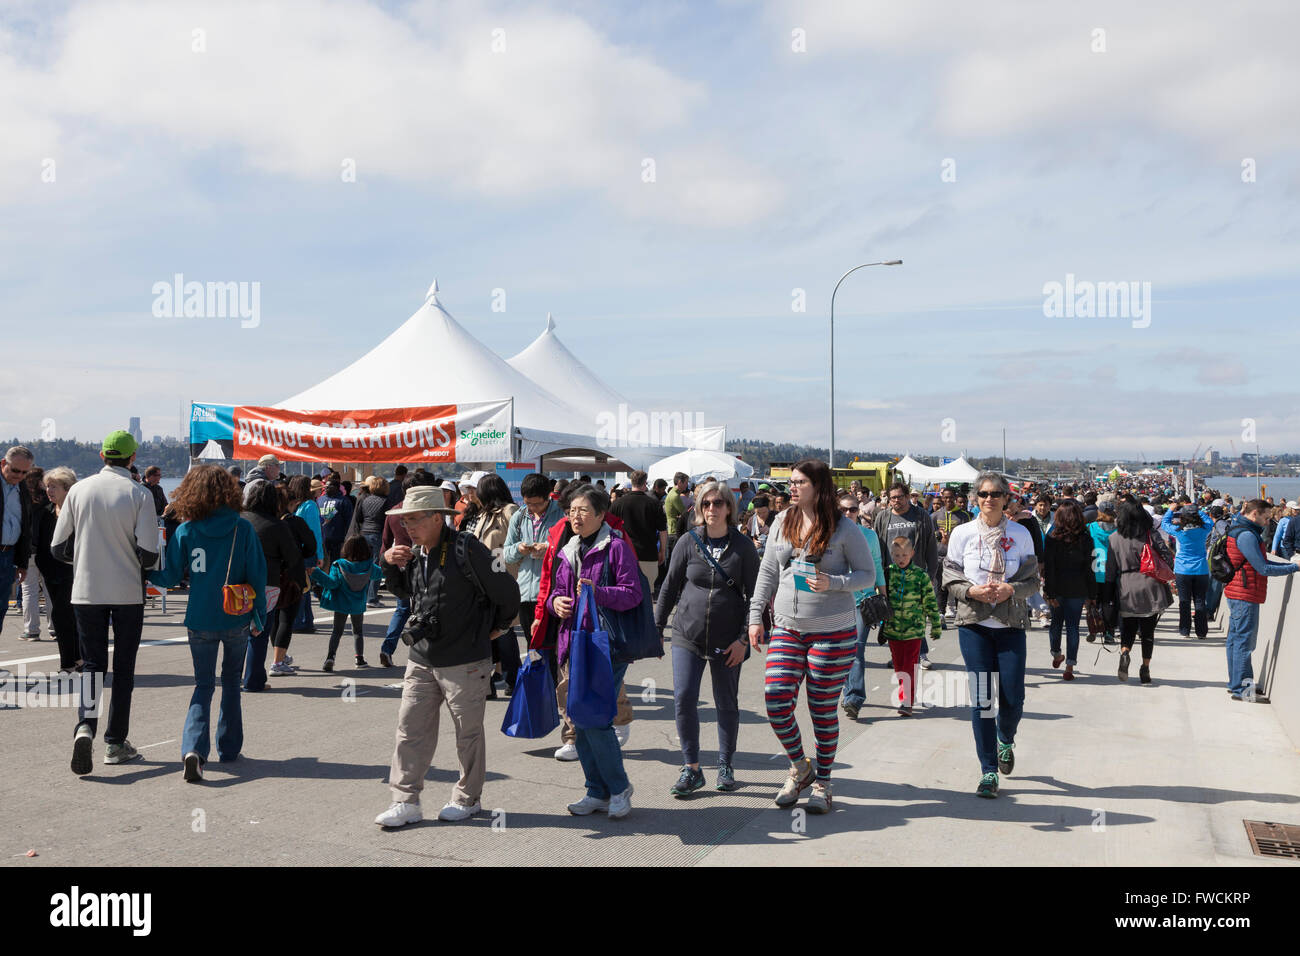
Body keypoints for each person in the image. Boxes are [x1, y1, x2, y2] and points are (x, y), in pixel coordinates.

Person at [374, 486, 519, 828]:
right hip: (422, 657)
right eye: (403, 520)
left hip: (465, 659)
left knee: (467, 733)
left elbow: (507, 592)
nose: (407, 527)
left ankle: (468, 798)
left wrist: (496, 629)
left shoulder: (466, 548)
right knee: (409, 730)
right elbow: (406, 593)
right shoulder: (415, 552)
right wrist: (390, 565)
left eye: (413, 519)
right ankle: (405, 801)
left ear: (438, 517)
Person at [746, 459, 874, 814]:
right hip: (787, 626)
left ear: (818, 486)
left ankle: (824, 782)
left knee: (821, 710)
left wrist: (834, 582)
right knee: (775, 698)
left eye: (800, 481)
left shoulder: (845, 528)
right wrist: (756, 615)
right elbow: (768, 572)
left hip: (833, 632)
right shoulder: (782, 522)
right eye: (792, 481)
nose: (793, 487)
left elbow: (868, 574)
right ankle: (800, 767)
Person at [50, 431, 160, 775]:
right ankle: (115, 742)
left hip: (86, 590)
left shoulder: (79, 490)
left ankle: (85, 726)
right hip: (126, 592)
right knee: (124, 668)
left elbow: (58, 547)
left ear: (101, 455)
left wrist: (84, 560)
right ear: (132, 458)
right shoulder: (140, 493)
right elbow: (149, 554)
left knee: (92, 666)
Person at [147, 466, 266, 782]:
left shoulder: (186, 530)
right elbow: (257, 576)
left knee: (203, 685)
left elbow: (171, 577)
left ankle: (193, 751)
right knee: (231, 682)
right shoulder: (243, 529)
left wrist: (145, 572)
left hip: (199, 617)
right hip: (235, 616)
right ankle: (228, 747)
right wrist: (259, 616)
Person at [655, 481, 759, 795]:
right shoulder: (688, 542)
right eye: (705, 504)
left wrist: (743, 640)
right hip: (687, 634)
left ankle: (726, 766)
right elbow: (669, 587)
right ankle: (692, 768)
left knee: (726, 702)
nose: (711, 509)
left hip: (729, 639)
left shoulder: (743, 547)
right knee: (684, 698)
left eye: (717, 503)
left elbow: (756, 597)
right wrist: (655, 629)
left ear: (729, 507)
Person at [546, 484, 644, 819]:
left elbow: (632, 593)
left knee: (597, 718)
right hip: (574, 641)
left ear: (601, 515)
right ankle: (596, 791)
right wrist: (553, 602)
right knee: (580, 716)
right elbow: (557, 589)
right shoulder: (569, 548)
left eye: (584, 510)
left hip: (606, 645)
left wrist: (597, 593)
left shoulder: (615, 547)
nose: (575, 516)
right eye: (572, 510)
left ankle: (618, 788)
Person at [942, 471, 1039, 798]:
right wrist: (972, 591)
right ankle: (988, 771)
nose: (989, 499)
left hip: (1010, 624)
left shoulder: (1021, 534)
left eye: (995, 494)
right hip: (975, 625)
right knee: (983, 700)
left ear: (1006, 499)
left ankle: (1005, 739)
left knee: (1013, 697)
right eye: (983, 494)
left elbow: (1033, 581)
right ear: (975, 498)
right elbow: (949, 576)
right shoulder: (962, 533)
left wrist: (1011, 588)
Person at [1221, 498, 1300, 700]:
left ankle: (1235, 684)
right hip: (1245, 594)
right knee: (1244, 644)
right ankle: (1243, 690)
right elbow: (1263, 568)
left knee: (1235, 640)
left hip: (1237, 591)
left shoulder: (1238, 528)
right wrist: (1294, 567)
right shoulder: (1247, 535)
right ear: (1254, 514)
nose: (1267, 522)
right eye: (1265, 517)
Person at [503, 472, 565, 691]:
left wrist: (548, 549)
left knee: (553, 643)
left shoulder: (561, 516)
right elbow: (507, 553)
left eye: (536, 504)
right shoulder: (520, 517)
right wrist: (519, 549)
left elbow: (571, 549)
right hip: (526, 590)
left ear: (548, 498)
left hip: (553, 591)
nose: (532, 509)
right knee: (533, 642)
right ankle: (539, 687)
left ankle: (555, 686)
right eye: (528, 503)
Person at [240, 479, 305, 690]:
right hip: (267, 584)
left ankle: (234, 678)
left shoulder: (239, 520)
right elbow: (293, 557)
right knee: (258, 634)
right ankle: (253, 680)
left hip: (236, 585)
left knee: (235, 636)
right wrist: (300, 582)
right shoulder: (277, 525)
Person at [1105, 499, 1175, 685]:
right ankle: (1145, 668)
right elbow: (1166, 555)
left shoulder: (1113, 538)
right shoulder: (1149, 534)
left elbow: (1110, 571)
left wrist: (1107, 594)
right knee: (1148, 632)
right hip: (1150, 585)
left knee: (1127, 628)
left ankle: (1125, 652)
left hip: (1126, 586)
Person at [462, 473, 519, 696]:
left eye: (477, 490)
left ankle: (513, 678)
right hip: (483, 580)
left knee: (504, 631)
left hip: (504, 577)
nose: (472, 494)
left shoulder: (510, 511)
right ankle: (487, 684)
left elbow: (516, 545)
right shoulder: (483, 514)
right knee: (487, 632)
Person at [873, 480, 939, 668]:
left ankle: (922, 654)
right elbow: (877, 549)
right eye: (892, 498)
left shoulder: (920, 516)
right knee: (892, 618)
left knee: (915, 616)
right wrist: (877, 577)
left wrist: (931, 575)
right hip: (889, 577)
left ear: (908, 497)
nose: (896, 501)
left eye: (900, 497)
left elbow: (930, 547)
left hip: (914, 576)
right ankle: (897, 656)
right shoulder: (883, 517)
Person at [880, 536, 941, 715]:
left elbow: (930, 602)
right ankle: (905, 696)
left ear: (912, 553)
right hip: (892, 630)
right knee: (899, 667)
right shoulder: (887, 573)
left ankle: (906, 701)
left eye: (904, 555)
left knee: (910, 666)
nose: (901, 559)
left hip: (914, 631)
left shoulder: (920, 575)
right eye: (897, 555)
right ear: (891, 554)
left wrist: (936, 626)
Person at [837, 491, 883, 721]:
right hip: (835, 601)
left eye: (852, 509)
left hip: (862, 601)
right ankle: (848, 693)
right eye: (842, 510)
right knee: (842, 652)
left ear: (859, 511)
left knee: (856, 650)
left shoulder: (869, 536)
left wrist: (884, 594)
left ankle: (854, 698)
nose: (847, 514)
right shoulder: (828, 535)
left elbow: (877, 566)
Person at [1042, 499, 1097, 681]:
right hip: (1078, 587)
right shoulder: (1086, 537)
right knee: (1073, 626)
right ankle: (1070, 666)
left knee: (1056, 623)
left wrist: (1048, 591)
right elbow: (1091, 567)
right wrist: (1092, 594)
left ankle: (1056, 653)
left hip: (1056, 587)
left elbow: (1048, 567)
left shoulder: (1052, 538)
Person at [311, 534, 383, 671]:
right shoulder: (369, 566)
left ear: (346, 549)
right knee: (358, 631)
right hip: (358, 604)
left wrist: (316, 573)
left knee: (337, 631)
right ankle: (359, 658)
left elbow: (332, 583)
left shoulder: (339, 565)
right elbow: (381, 573)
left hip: (341, 604)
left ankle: (330, 657)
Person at [36, 467, 79, 669]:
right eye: (47, 487)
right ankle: (76, 658)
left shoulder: (79, 511)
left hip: (73, 571)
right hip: (50, 571)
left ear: (67, 488)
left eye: (54, 487)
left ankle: (69, 662)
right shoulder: (45, 511)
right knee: (63, 615)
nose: (49, 491)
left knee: (62, 614)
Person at [610, 469, 668, 586]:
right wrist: (662, 551)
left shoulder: (617, 504)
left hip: (623, 555)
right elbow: (663, 531)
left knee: (623, 592)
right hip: (648, 554)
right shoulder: (654, 504)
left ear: (631, 482)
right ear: (645, 483)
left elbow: (609, 529)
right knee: (646, 595)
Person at [1161, 504, 1211, 639]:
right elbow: (1210, 521)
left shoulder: (1179, 530)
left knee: (1184, 601)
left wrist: (1170, 510)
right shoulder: (1204, 529)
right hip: (1201, 569)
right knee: (1200, 601)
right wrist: (1198, 510)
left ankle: (1185, 630)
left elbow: (1164, 523)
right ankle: (1201, 632)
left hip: (1183, 570)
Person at [0, 446, 35, 634]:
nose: (20, 475)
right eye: (15, 470)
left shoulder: (21, 487)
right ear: (3, 463)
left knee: (1, 608)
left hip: (8, 555)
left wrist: (22, 563)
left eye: (24, 472)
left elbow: (25, 526)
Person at [18, 467, 50, 640]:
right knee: (49, 590)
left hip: (28, 549)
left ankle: (31, 630)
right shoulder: (49, 499)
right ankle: (55, 628)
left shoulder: (22, 498)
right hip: (47, 550)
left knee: (29, 591)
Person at [350, 475, 391, 607]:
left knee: (365, 565)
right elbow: (388, 520)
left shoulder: (365, 499)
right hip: (377, 533)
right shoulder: (386, 501)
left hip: (364, 533)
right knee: (377, 566)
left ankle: (364, 594)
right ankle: (372, 598)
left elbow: (359, 517)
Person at [293, 475, 326, 633]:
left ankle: (303, 621)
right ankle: (305, 621)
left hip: (302, 551)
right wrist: (319, 553)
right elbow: (315, 532)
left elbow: (315, 533)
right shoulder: (308, 505)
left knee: (303, 588)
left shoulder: (302, 506)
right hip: (305, 551)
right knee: (304, 588)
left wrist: (318, 554)